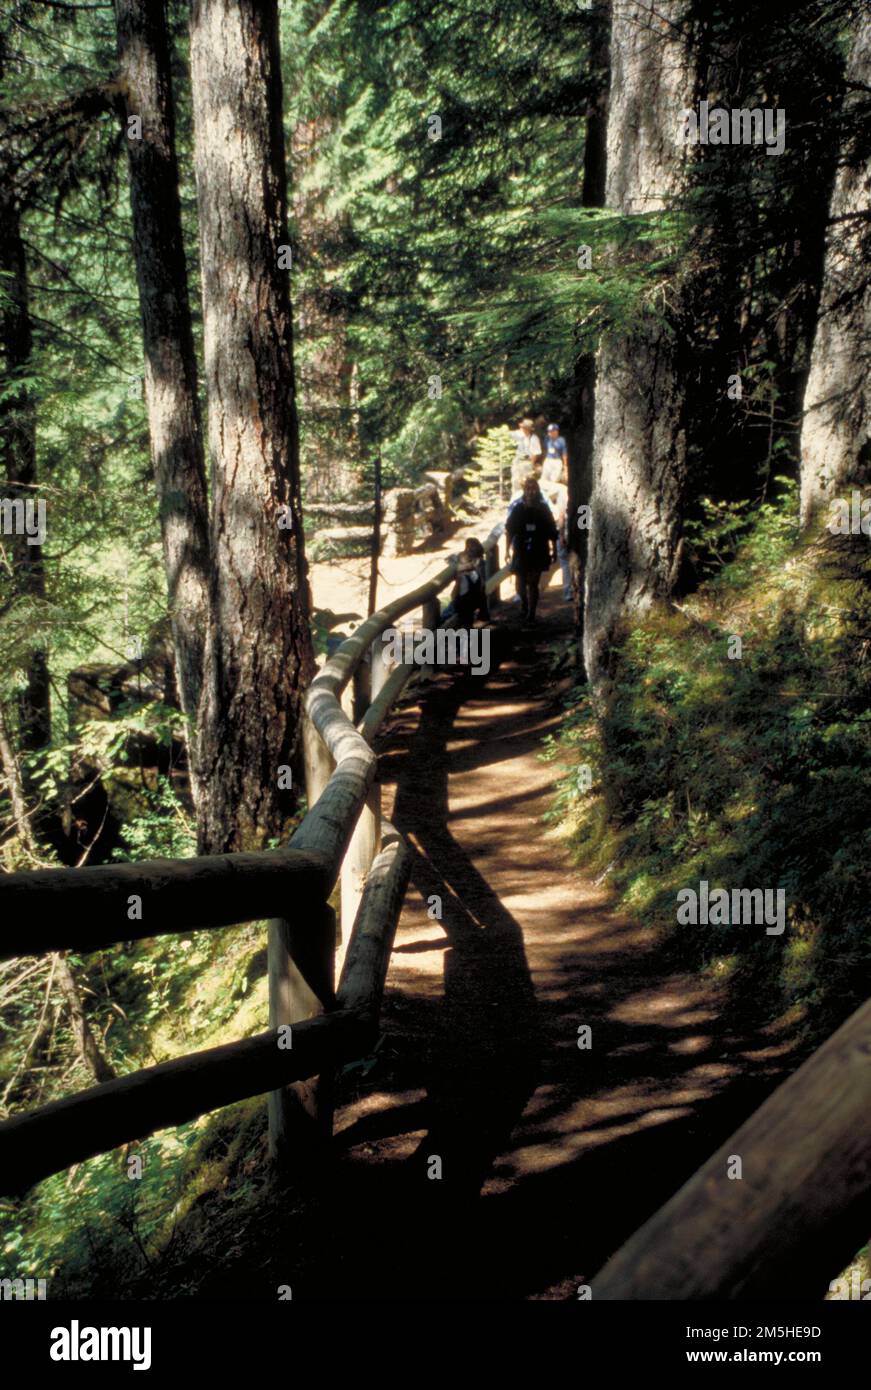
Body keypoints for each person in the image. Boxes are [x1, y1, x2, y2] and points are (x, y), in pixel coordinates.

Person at [505, 476, 558, 625]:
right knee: (520, 584)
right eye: (528, 488)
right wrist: (506, 550)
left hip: (539, 548)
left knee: (533, 582)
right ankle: (524, 603)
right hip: (521, 549)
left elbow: (552, 530)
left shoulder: (543, 508)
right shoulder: (517, 508)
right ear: (524, 490)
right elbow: (509, 530)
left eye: (533, 488)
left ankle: (531, 612)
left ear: (538, 490)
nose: (531, 491)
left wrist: (554, 550)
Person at [450, 537, 490, 627]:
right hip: (471, 598)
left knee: (465, 622)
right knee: (466, 622)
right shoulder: (478, 566)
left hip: (465, 599)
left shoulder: (471, 570)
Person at [510, 417, 543, 495]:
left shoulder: (534, 438)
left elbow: (535, 454)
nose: (523, 429)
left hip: (527, 462)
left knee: (526, 482)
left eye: (525, 428)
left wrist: (531, 464)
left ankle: (526, 499)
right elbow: (506, 434)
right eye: (523, 427)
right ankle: (515, 498)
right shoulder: (516, 435)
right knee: (515, 481)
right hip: (517, 461)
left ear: (529, 429)